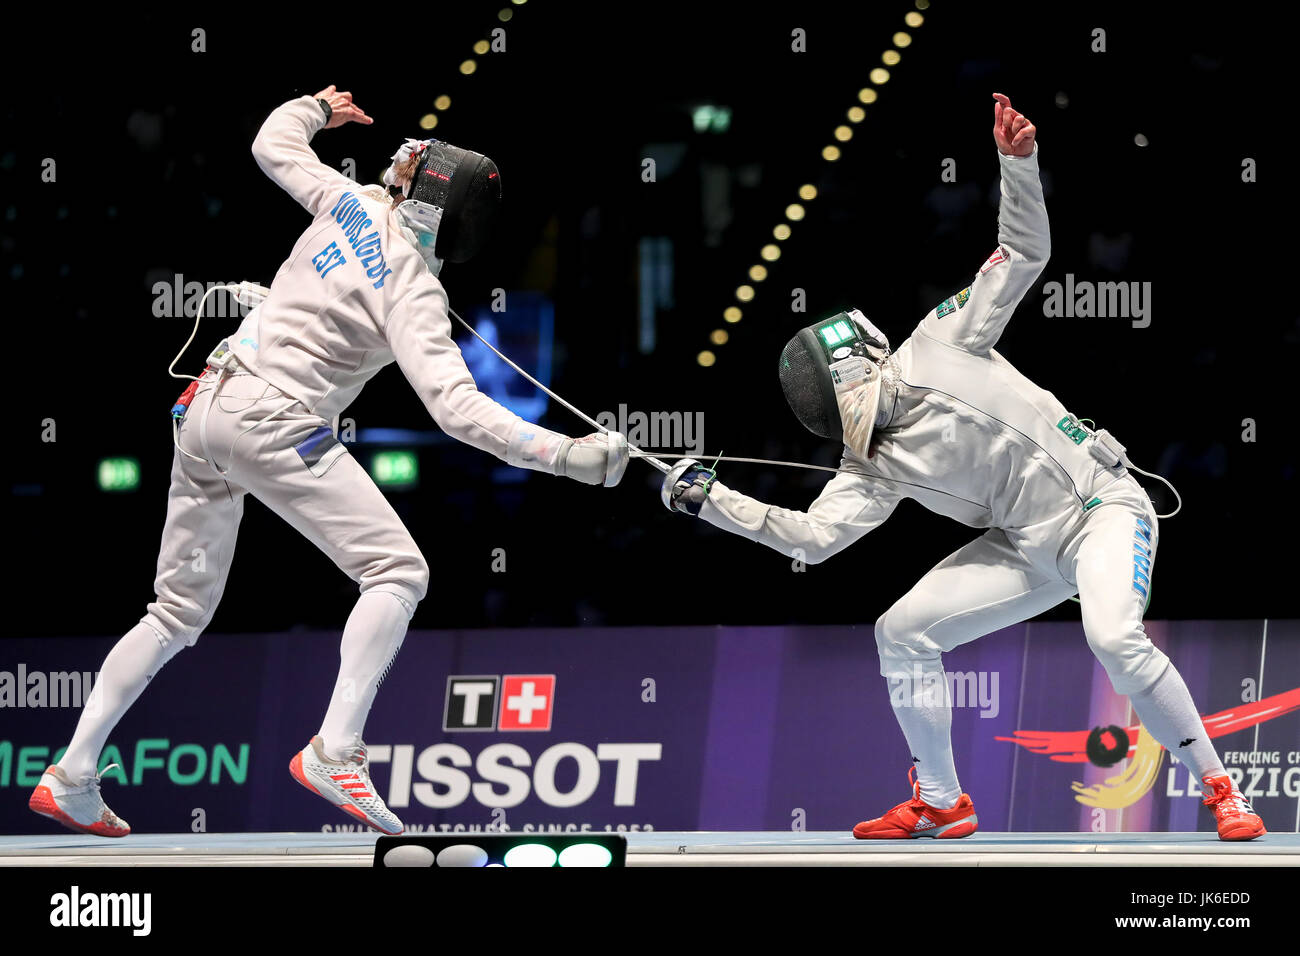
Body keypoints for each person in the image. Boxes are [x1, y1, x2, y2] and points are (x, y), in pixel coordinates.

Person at [661, 93, 1264, 841]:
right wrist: (712, 500)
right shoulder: (869, 462)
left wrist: (1018, 164)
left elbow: (1022, 256)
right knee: (902, 631)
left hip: (1102, 509)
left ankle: (1221, 789)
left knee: (1112, 635)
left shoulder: (941, 337)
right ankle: (942, 800)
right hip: (1027, 548)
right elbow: (812, 540)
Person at [29, 86, 626, 837]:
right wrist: (570, 456)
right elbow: (459, 414)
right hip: (272, 421)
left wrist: (314, 104)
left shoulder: (352, 207)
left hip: (206, 410)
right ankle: (335, 750)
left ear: (436, 195)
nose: (409, 157)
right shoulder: (408, 277)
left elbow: (272, 144)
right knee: (399, 572)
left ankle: (73, 773)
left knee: (176, 610)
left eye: (424, 163)